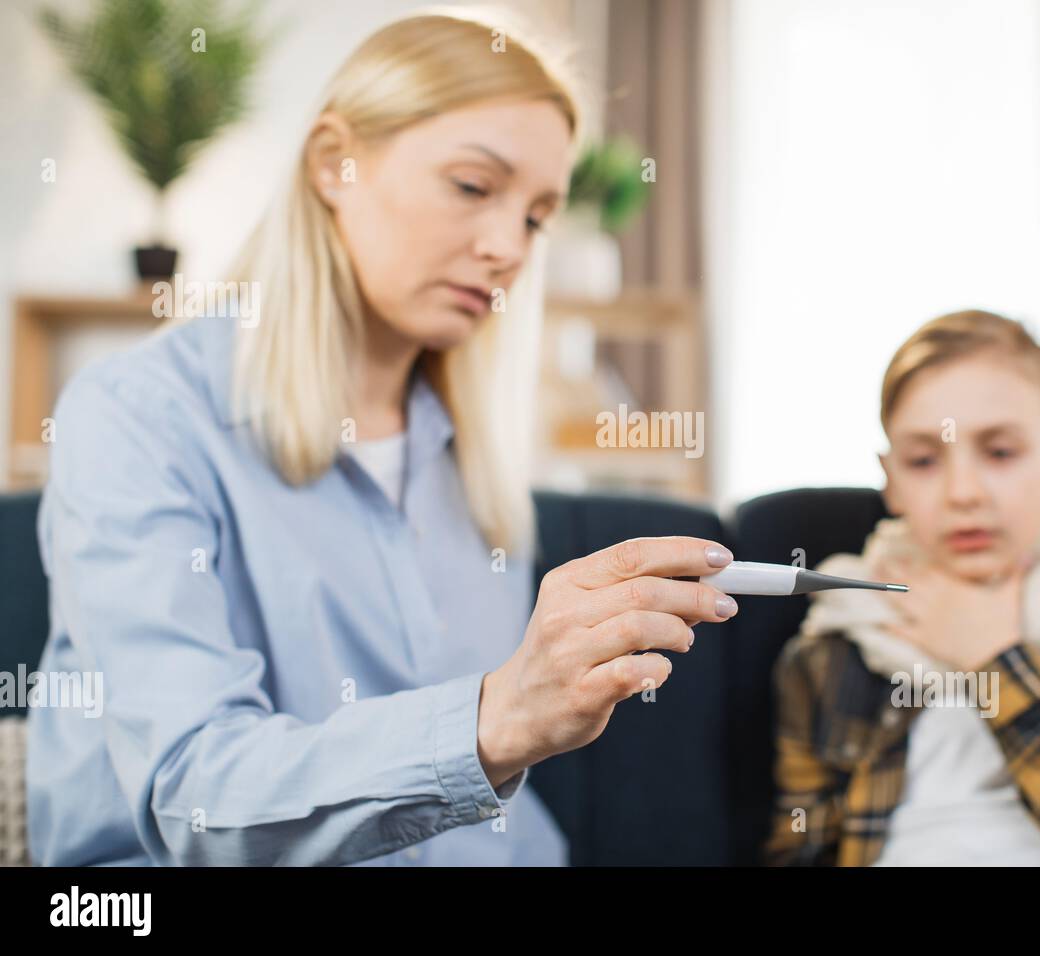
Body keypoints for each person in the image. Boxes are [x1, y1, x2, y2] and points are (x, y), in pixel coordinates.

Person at [26, 9, 739, 867]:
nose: (508, 246)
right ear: (336, 163)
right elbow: (194, 792)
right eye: (475, 187)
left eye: (537, 217)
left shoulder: (470, 457)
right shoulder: (137, 418)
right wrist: (492, 720)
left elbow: (482, 832)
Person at [764, 310, 1040, 866]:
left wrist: (996, 658)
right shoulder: (836, 639)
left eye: (999, 453)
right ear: (891, 481)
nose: (963, 491)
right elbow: (798, 853)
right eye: (923, 461)